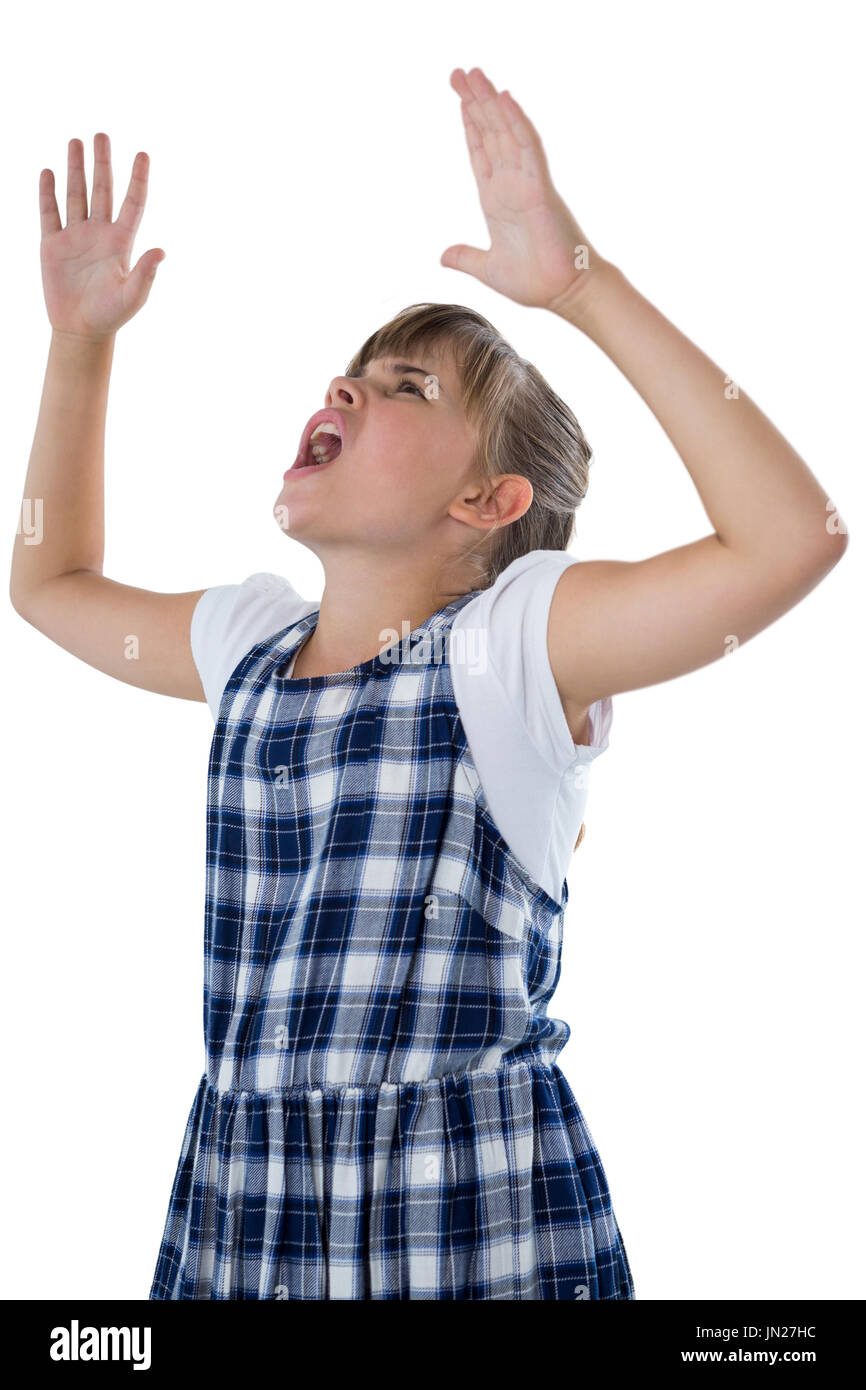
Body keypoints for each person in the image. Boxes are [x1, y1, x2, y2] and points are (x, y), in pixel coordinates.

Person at [10, 65, 848, 1300]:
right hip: (248, 1219)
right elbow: (50, 581)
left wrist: (580, 287)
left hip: (471, 1220)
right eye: (350, 371)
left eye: (408, 387)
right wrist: (78, 349)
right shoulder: (243, 643)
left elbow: (794, 537)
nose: (343, 387)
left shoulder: (511, 650)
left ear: (488, 503)